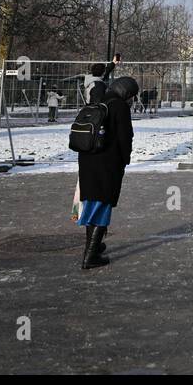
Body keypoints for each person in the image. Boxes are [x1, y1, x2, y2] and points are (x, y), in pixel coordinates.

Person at [76, 76, 138, 270]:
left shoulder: (99, 100)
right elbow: (125, 136)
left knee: (92, 204)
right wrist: (125, 159)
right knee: (103, 205)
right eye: (131, 95)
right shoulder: (119, 106)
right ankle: (90, 256)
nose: (131, 99)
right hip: (107, 162)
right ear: (126, 92)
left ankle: (93, 247)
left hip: (87, 159)